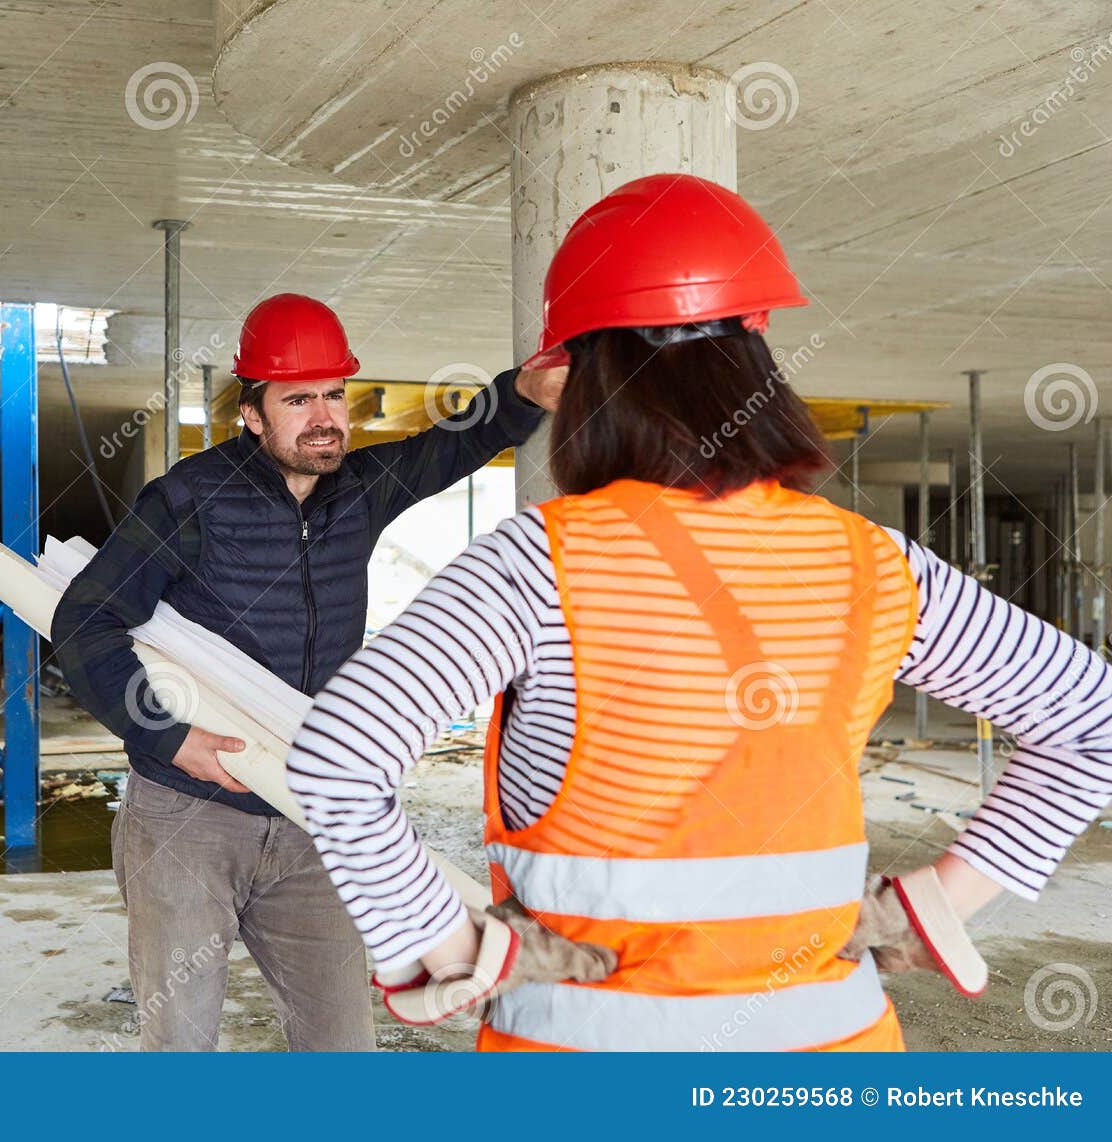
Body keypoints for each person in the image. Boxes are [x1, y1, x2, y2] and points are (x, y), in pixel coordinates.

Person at [286, 174, 1112, 1051]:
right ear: (757, 348)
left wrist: (450, 948)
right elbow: (1090, 717)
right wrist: (938, 902)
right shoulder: (876, 562)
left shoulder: (540, 564)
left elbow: (338, 761)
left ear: (581, 373)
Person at [51, 292, 555, 1050]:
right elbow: (86, 622)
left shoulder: (356, 490)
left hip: (309, 812)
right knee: (181, 1042)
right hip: (189, 816)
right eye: (297, 399)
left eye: (333, 394)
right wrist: (169, 737)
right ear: (252, 413)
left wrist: (522, 391)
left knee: (341, 1043)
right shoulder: (190, 500)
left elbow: (449, 446)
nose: (324, 417)